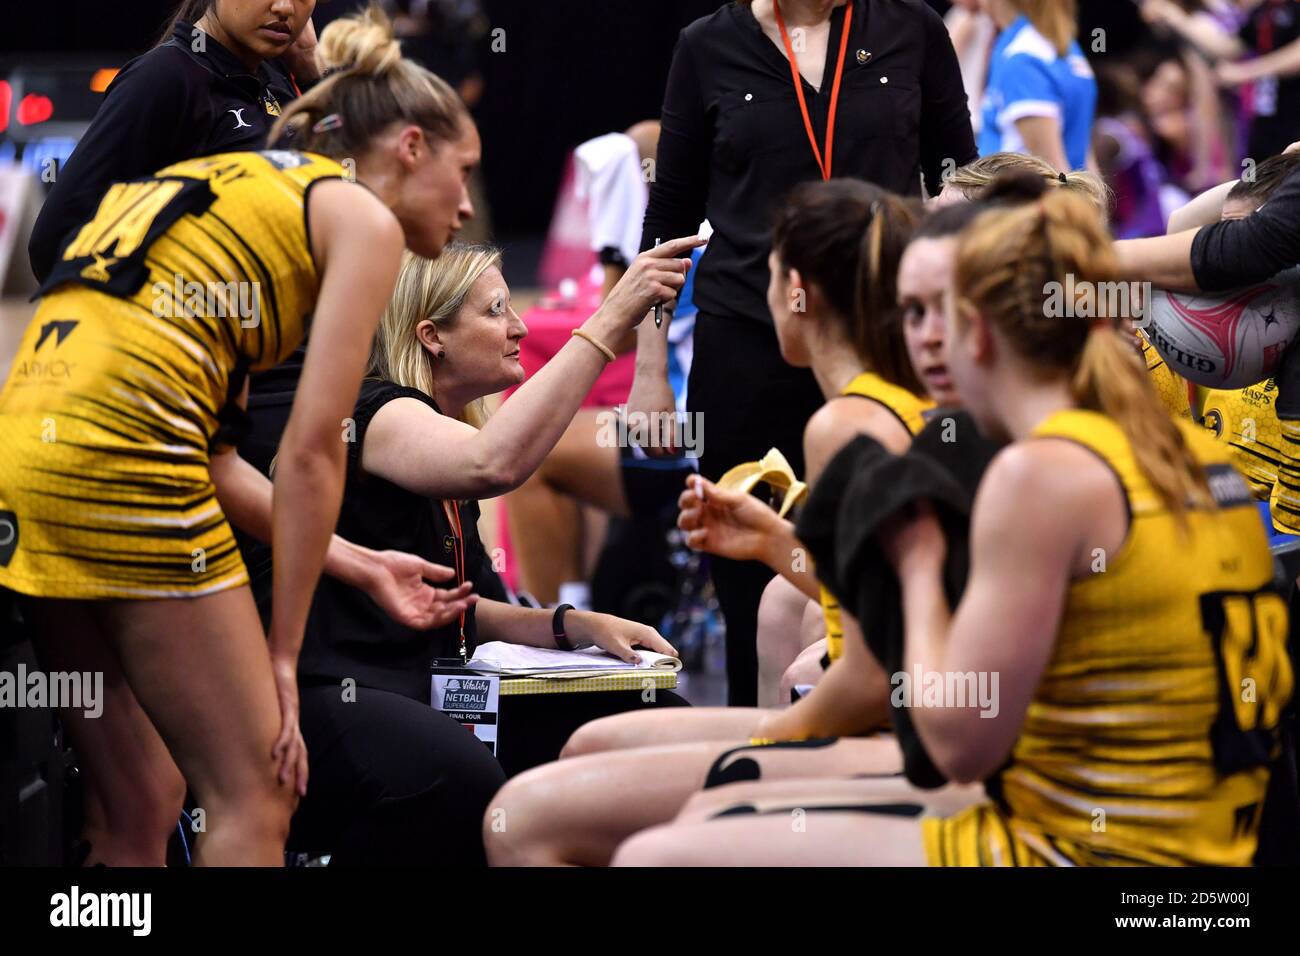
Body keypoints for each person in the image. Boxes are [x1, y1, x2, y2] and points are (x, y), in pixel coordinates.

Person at [612, 177, 1294, 867]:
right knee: (712, 805)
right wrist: (781, 544)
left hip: (1098, 852)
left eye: (922, 311)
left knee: (661, 850)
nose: (914, 337)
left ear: (972, 322)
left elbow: (950, 739)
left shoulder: (1035, 472)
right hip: (1203, 848)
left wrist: (913, 562)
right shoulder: (1188, 450)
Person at [0, 5, 479, 865]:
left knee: (141, 803)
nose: (470, 202)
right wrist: (285, 662)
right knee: (259, 787)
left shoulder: (227, 198)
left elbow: (220, 459)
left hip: (29, 460)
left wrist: (363, 564)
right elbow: (308, 451)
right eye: (464, 169)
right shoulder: (355, 220)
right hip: (125, 468)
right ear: (409, 147)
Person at [482, 180, 935, 866]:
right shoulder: (889, 405)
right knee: (584, 747)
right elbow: (887, 604)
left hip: (887, 733)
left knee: (521, 818)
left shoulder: (846, 425)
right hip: (883, 715)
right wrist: (779, 543)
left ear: (797, 291)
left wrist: (769, 740)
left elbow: (874, 674)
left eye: (770, 272)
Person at [273, 241, 694, 865]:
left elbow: (469, 607)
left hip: (436, 687)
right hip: (339, 693)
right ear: (431, 336)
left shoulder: (449, 427)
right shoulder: (374, 411)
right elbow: (493, 463)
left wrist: (574, 625)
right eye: (497, 311)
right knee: (463, 779)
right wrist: (610, 320)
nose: (520, 326)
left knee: (653, 713)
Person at [633, 0, 977, 706]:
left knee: (872, 560)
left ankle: (860, 727)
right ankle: (755, 745)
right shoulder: (707, 44)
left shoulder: (910, 31)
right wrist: (648, 372)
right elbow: (667, 221)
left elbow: (961, 187)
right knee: (749, 581)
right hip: (748, 340)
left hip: (882, 341)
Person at [28, 0, 322, 283]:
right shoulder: (163, 77)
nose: (284, 7)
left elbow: (343, 186)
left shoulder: (278, 79)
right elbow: (54, 240)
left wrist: (312, 72)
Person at [976, 0, 1097, 171]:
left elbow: (1054, 172)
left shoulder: (1023, 58)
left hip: (1021, 194)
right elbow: (1083, 154)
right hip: (1065, 193)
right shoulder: (1063, 46)